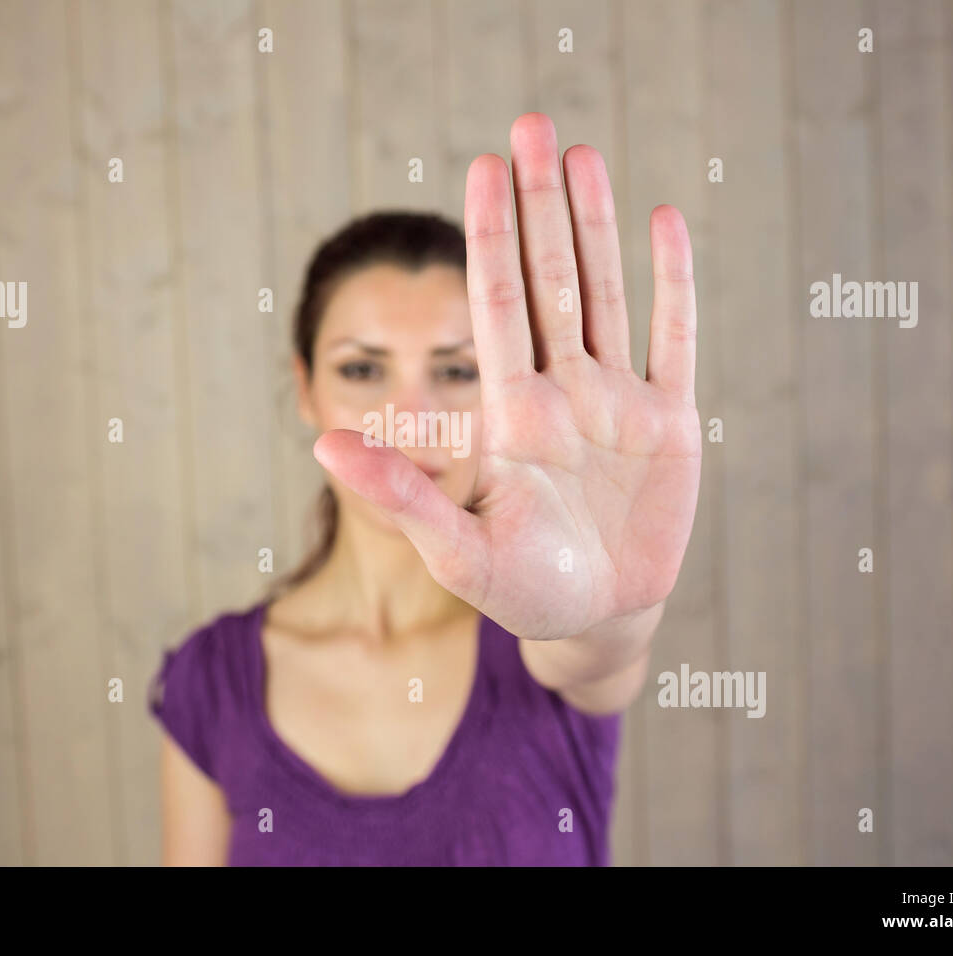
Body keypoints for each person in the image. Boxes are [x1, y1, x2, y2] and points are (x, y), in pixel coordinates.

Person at [149, 112, 701, 865]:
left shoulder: (545, 638)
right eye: (362, 369)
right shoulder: (210, 683)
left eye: (455, 370)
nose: (412, 419)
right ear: (304, 388)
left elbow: (597, 649)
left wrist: (606, 602)